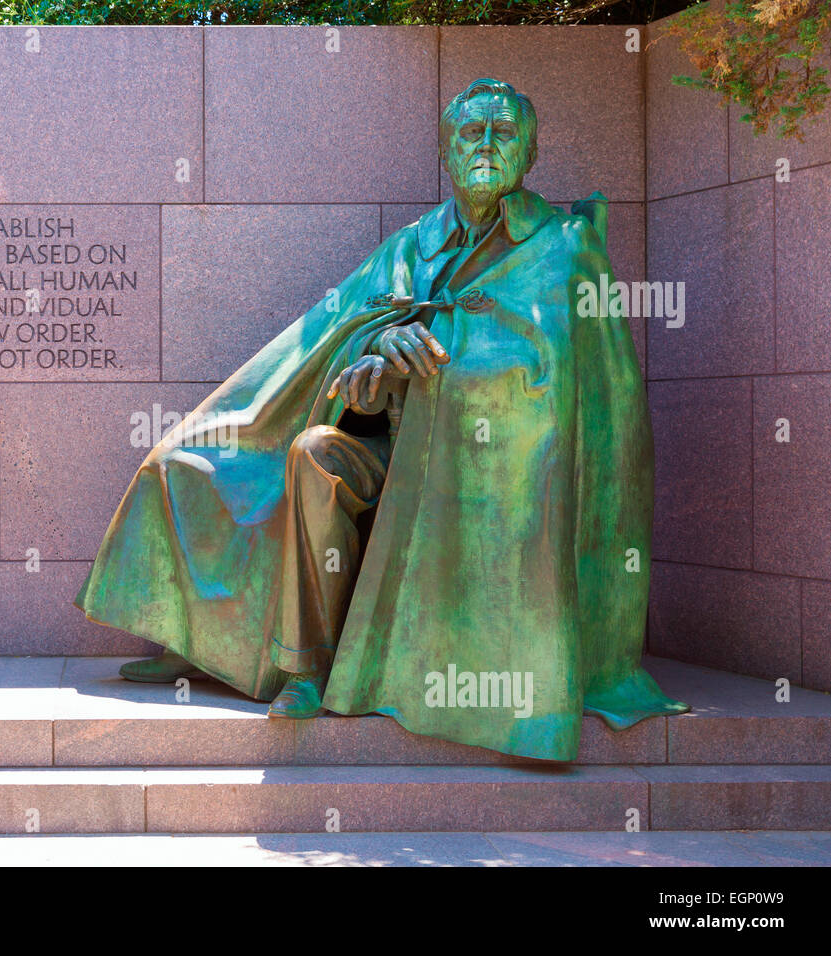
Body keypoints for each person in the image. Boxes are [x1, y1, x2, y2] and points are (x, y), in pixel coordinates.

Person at [75, 78, 687, 761]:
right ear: (446, 152)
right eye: (470, 133)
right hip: (387, 449)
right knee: (269, 455)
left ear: (532, 150)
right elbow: (328, 339)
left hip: (477, 475)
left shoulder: (566, 246)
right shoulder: (411, 246)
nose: (485, 145)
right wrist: (373, 350)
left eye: (503, 133)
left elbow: (557, 386)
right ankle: (281, 659)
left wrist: (432, 359)